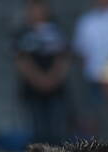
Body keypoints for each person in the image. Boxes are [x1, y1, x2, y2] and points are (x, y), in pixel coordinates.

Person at [15, 1, 71, 143]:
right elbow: (21, 60)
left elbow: (64, 58)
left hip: (56, 90)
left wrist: (52, 78)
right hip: (32, 91)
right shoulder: (22, 33)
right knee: (37, 133)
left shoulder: (57, 31)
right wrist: (39, 79)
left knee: (57, 133)